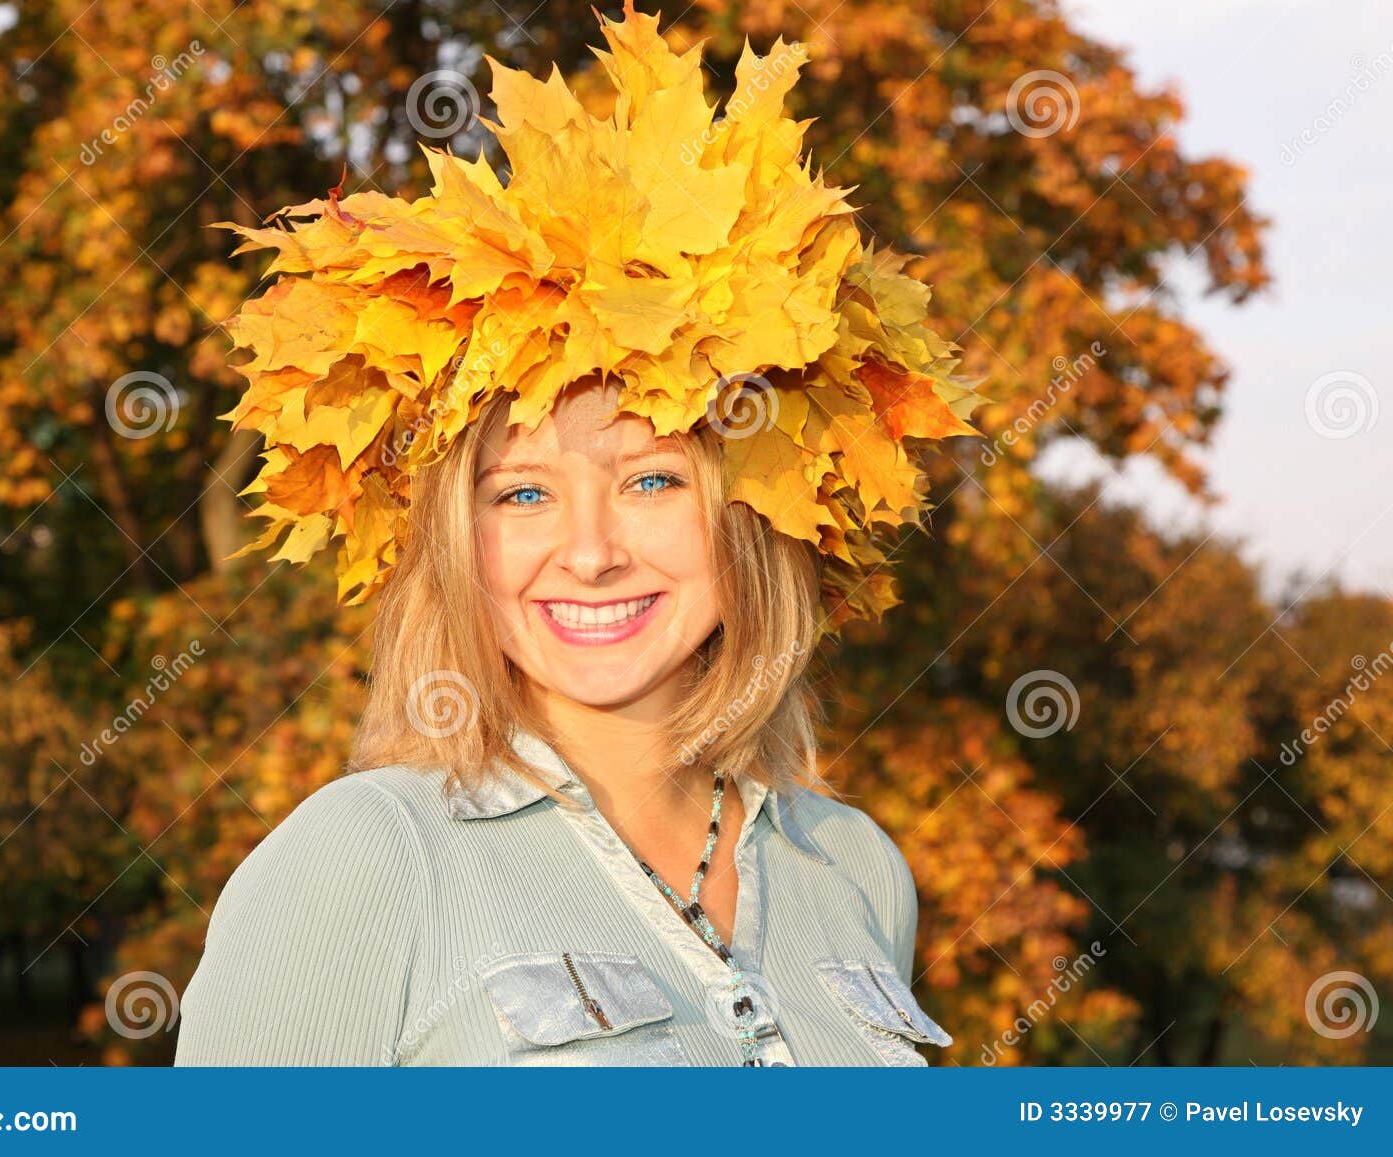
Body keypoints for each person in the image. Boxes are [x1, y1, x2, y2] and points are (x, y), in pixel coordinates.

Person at [175, 0, 984, 1067]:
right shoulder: (367, 857)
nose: (591, 549)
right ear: (456, 543)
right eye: (520, 495)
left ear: (755, 513)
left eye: (651, 480)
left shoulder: (856, 867)